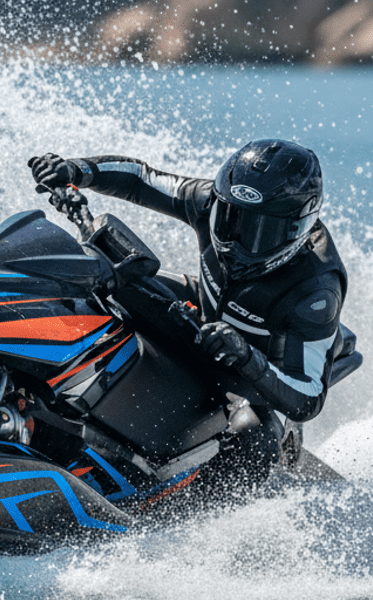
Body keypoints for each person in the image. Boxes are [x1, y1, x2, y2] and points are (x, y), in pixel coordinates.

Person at [29, 139, 349, 484]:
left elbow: (307, 398)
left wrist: (247, 357)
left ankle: (195, 513)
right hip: (205, 316)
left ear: (300, 227)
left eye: (262, 232)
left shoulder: (317, 289)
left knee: (255, 437)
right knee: (99, 277)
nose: (238, 242)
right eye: (232, 220)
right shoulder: (208, 201)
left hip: (260, 372)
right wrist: (77, 170)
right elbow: (141, 178)